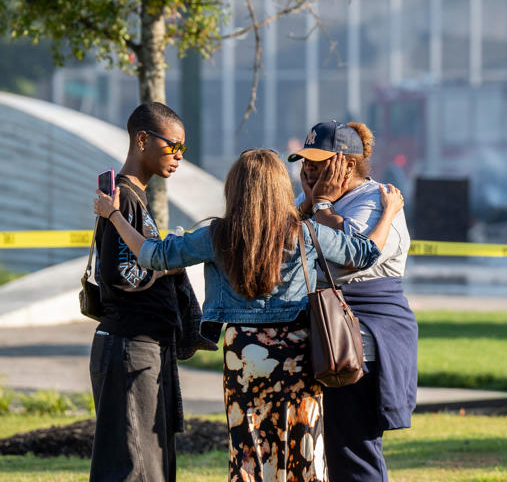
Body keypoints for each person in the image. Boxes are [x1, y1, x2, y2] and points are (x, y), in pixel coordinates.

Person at [93, 149, 405, 482]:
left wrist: (114, 215)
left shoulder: (216, 235)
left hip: (243, 354)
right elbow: (366, 252)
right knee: (302, 446)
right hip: (298, 354)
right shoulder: (306, 232)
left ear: (235, 189)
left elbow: (151, 255)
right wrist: (388, 211)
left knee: (250, 448)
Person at [290, 121, 418, 482]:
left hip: (360, 339)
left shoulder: (376, 200)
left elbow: (352, 254)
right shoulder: (313, 201)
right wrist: (316, 204)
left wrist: (322, 205)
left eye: (318, 161)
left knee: (352, 453)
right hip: (328, 333)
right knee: (323, 451)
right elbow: (283, 241)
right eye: (305, 160)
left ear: (346, 163)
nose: (309, 168)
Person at [89, 102, 188, 481]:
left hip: (139, 344)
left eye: (184, 149)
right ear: (143, 139)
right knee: (134, 468)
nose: (178, 156)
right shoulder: (126, 199)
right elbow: (119, 275)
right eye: (172, 146)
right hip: (129, 345)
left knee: (149, 463)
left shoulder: (134, 198)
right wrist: (169, 265)